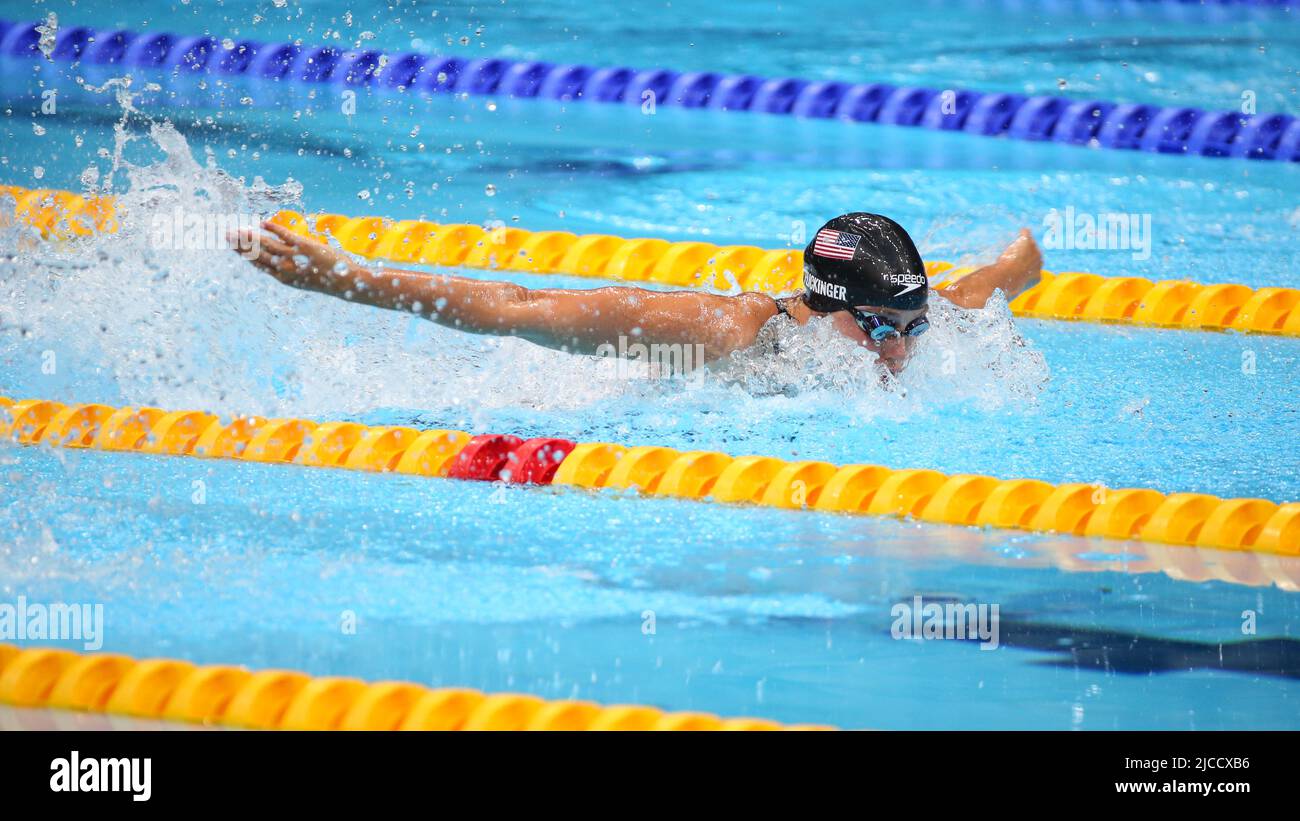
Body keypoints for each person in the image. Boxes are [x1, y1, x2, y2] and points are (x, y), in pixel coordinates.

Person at [232, 212, 1042, 376]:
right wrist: (347, 277)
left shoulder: (911, 323)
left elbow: (986, 287)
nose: (898, 350)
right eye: (876, 328)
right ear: (823, 307)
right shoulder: (730, 334)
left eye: (913, 327)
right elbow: (522, 310)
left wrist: (1019, 263)